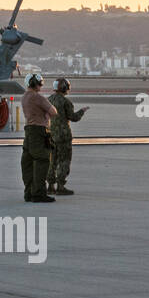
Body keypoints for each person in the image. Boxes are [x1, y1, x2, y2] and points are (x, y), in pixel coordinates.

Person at [19, 73, 58, 203]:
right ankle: (39, 193)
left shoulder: (24, 97)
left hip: (28, 131)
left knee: (28, 162)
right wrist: (46, 115)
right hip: (39, 130)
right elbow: (54, 112)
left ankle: (29, 193)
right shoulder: (38, 98)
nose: (41, 85)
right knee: (42, 160)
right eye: (40, 83)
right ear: (36, 83)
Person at [47, 78, 88, 196]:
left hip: (51, 134)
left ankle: (50, 186)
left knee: (52, 160)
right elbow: (73, 117)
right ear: (65, 88)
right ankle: (60, 186)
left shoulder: (48, 100)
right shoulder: (66, 102)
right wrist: (82, 111)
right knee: (64, 160)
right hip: (63, 136)